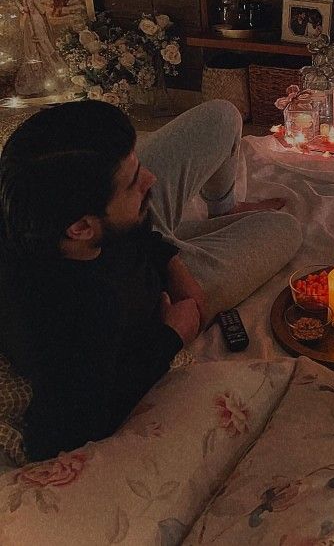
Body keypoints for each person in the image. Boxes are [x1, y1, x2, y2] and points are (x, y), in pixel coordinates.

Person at [0, 99, 301, 461]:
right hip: (153, 297)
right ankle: (191, 236)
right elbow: (67, 430)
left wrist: (171, 260)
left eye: (137, 164)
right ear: (80, 227)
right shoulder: (77, 314)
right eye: (133, 182)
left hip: (132, 242)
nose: (151, 178)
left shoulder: (40, 203)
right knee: (285, 228)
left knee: (223, 116)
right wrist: (171, 336)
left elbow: (129, 219)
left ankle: (213, 216)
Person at [15, 0, 67, 96]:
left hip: (35, 21)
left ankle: (46, 72)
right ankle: (52, 70)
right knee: (43, 43)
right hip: (36, 21)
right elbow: (42, 10)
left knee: (41, 43)